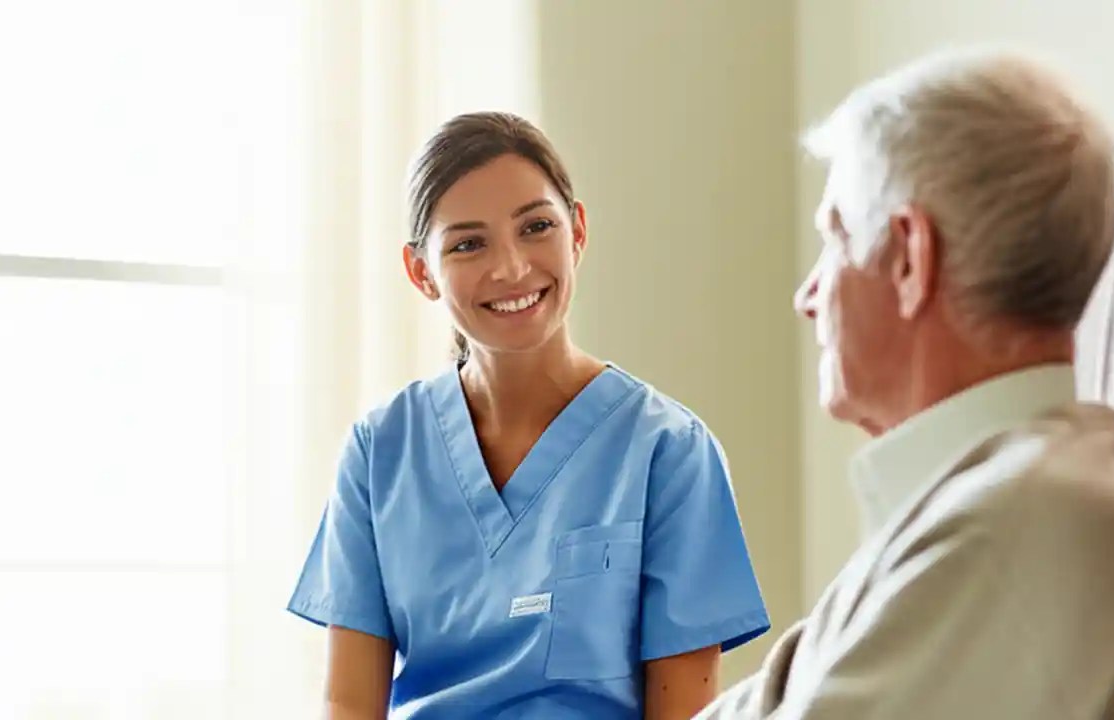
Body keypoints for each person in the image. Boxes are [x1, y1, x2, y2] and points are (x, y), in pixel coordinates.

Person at [698, 49, 1114, 718]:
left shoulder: (1010, 529)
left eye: (835, 238)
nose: (808, 295)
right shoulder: (978, 498)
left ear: (910, 258)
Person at [288, 111, 770, 719]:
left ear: (578, 231)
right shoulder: (380, 450)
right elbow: (349, 704)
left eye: (536, 227)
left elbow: (685, 711)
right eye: (469, 244)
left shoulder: (668, 450)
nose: (512, 268)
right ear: (421, 272)